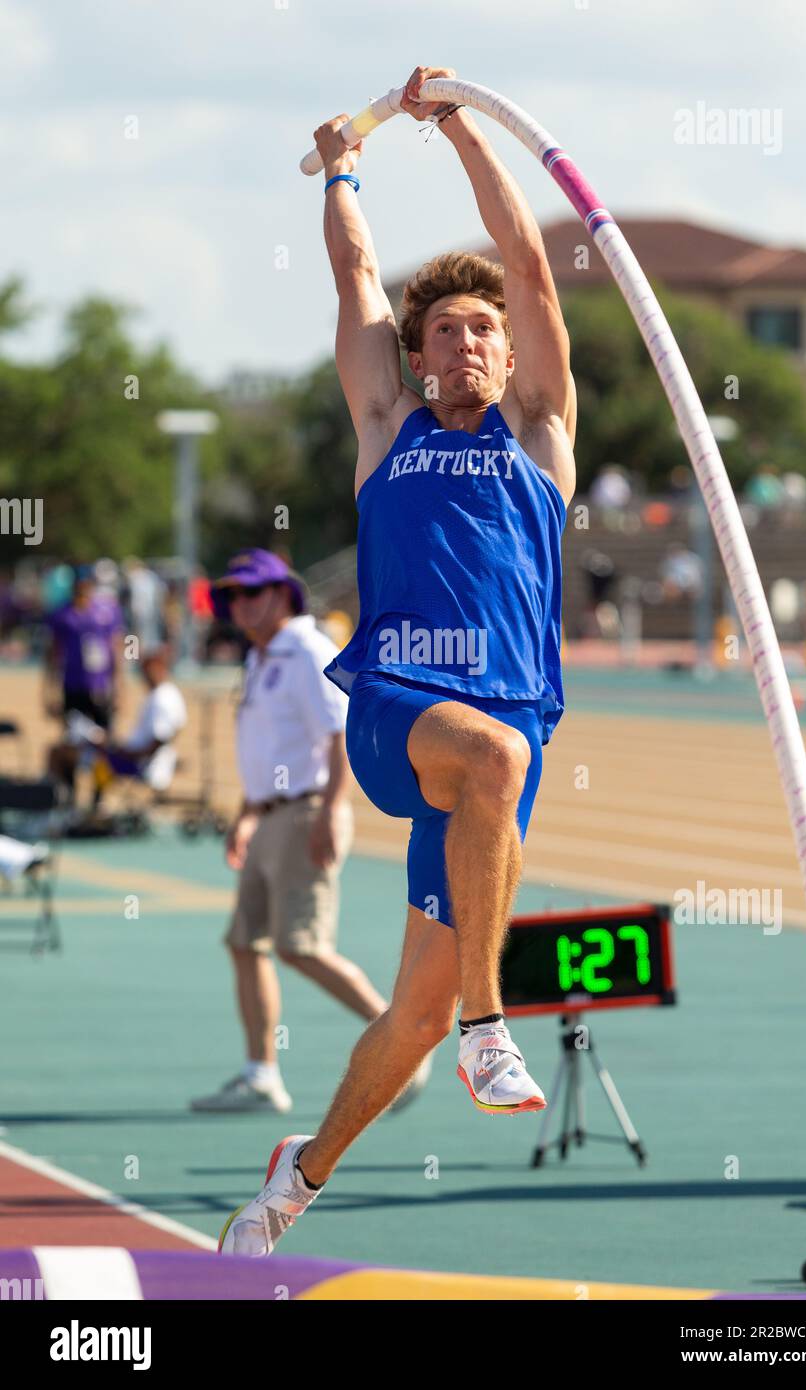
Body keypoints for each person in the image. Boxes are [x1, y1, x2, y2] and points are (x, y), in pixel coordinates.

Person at [219, 64, 576, 1256]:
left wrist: (463, 127)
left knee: (407, 1012)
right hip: (398, 712)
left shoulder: (539, 436)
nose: (469, 341)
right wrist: (347, 167)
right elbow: (357, 275)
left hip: (497, 750)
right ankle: (492, 1017)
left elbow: (528, 266)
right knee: (486, 752)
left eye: (483, 330)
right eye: (445, 332)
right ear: (414, 361)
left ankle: (297, 1174)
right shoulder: (390, 430)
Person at [192, 549, 428, 1116]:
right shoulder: (261, 657)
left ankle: (406, 1046)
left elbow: (338, 730)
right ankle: (261, 1074)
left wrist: (328, 812)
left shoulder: (304, 650)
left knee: (302, 947)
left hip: (304, 812)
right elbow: (268, 748)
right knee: (245, 942)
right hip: (270, 814)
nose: (241, 606)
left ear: (281, 593)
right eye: (234, 596)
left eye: (252, 593)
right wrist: (247, 815)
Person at [47, 644, 186, 806]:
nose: (145, 676)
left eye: (149, 670)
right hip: (135, 756)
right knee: (76, 747)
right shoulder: (162, 694)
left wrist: (122, 752)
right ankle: (85, 804)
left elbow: (157, 742)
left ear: (161, 669)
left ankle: (72, 805)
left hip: (139, 764)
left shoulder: (163, 698)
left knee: (65, 753)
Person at [43, 564, 125, 801]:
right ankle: (70, 793)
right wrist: (48, 690)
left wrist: (120, 688)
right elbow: (53, 655)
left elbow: (118, 648)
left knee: (103, 745)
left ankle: (98, 797)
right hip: (73, 687)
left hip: (100, 688)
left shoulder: (107, 611)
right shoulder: (62, 615)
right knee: (71, 744)